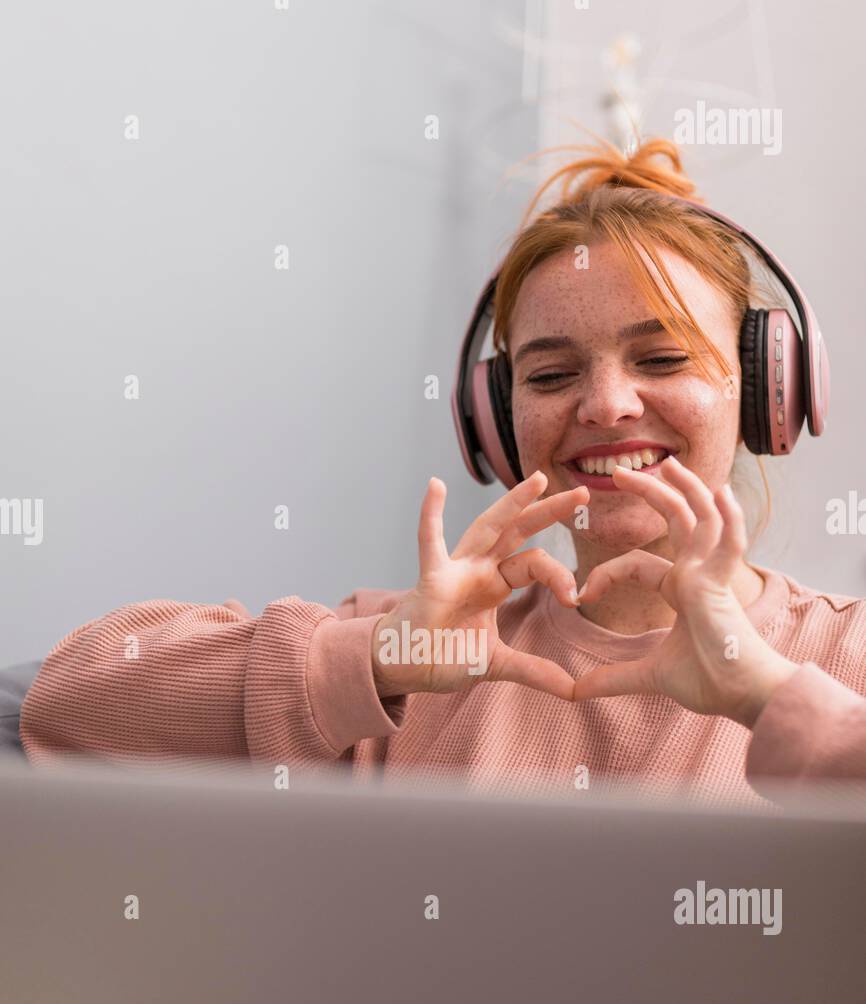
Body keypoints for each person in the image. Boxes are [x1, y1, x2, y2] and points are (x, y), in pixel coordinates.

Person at [19, 138, 866, 807]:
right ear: (496, 424)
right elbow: (59, 710)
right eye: (549, 374)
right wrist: (375, 660)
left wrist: (765, 696)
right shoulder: (417, 654)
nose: (606, 405)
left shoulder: (847, 657)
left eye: (662, 357)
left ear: (764, 390)